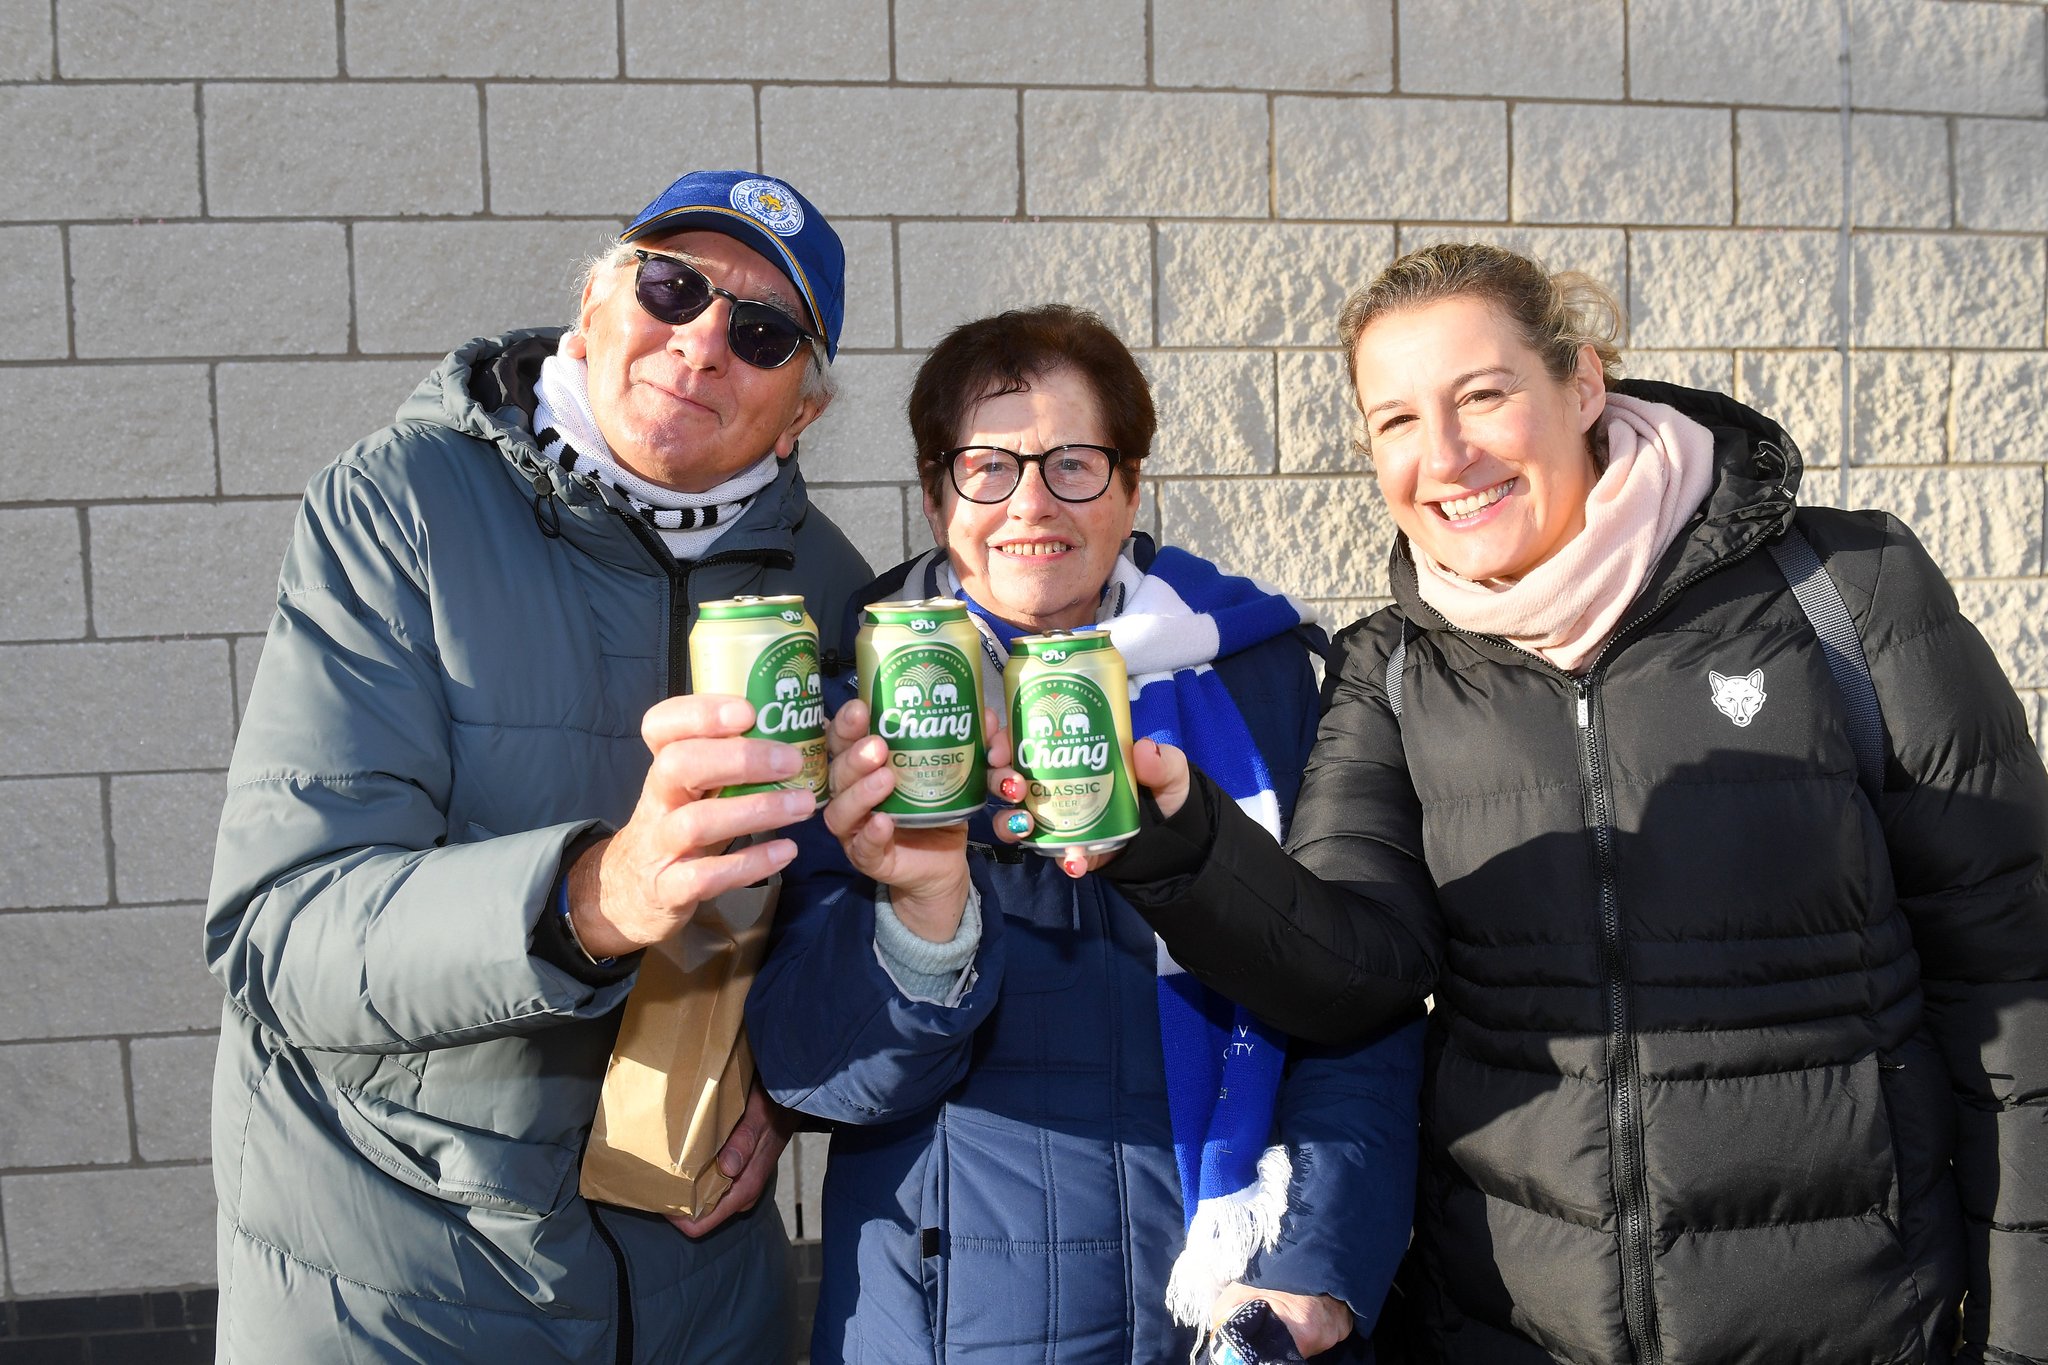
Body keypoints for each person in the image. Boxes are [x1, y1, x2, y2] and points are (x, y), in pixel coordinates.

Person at [1090, 243, 2048, 1364]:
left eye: (1481, 396)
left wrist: (2020, 1338)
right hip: (1516, 1331)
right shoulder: (1390, 672)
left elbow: (2015, 989)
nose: (1442, 457)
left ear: (1582, 385)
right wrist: (1176, 841)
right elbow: (1353, 976)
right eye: (1393, 420)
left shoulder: (1846, 593)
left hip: (1855, 1322)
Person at [204, 170, 872, 1363]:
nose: (701, 341)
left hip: (700, 1290)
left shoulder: (822, 584)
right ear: (593, 306)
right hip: (398, 1279)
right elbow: (280, 932)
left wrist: (778, 1085)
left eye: (762, 331)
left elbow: (823, 921)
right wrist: (595, 897)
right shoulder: (398, 506)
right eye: (672, 287)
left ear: (802, 412)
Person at [748, 304, 1424, 1363]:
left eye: (1072, 463)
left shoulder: (1267, 678)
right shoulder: (861, 711)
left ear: (1129, 487)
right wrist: (920, 920)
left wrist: (1317, 1272)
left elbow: (1358, 997)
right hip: (953, 1319)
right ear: (934, 498)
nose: (1029, 503)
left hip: (1242, 1310)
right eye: (986, 467)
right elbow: (816, 1072)